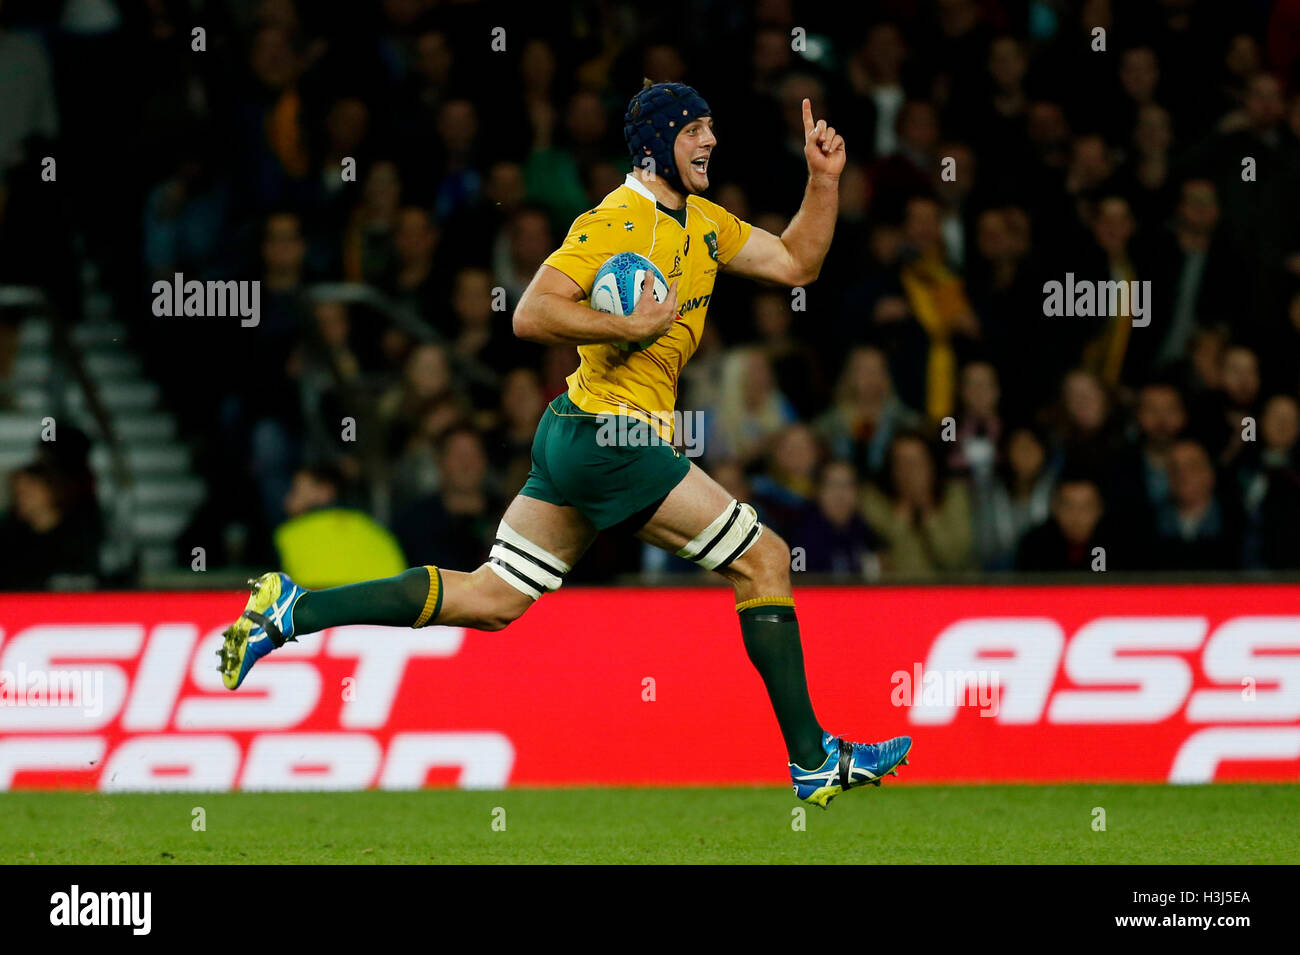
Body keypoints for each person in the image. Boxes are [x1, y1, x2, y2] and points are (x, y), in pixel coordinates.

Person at [216, 81, 910, 808]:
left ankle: (292, 610)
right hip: (612, 435)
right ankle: (814, 760)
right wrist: (630, 328)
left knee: (491, 598)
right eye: (696, 128)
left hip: (577, 433)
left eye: (712, 127)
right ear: (658, 142)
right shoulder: (617, 220)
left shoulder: (703, 222)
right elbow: (531, 311)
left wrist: (823, 182)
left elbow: (798, 263)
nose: (711, 141)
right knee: (764, 557)